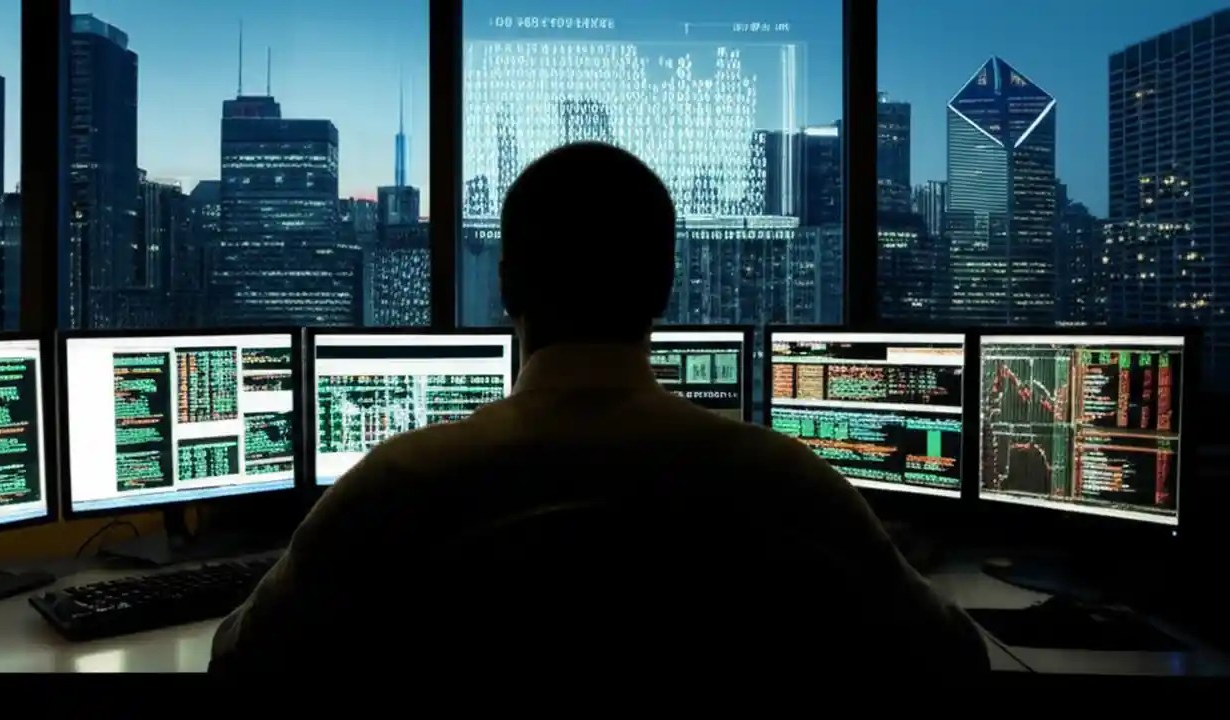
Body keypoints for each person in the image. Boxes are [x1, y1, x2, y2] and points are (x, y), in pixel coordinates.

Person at [209, 142, 989, 675]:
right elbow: (955, 658)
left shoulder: (399, 482)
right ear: (665, 287)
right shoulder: (785, 483)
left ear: (507, 286)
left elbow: (238, 661)